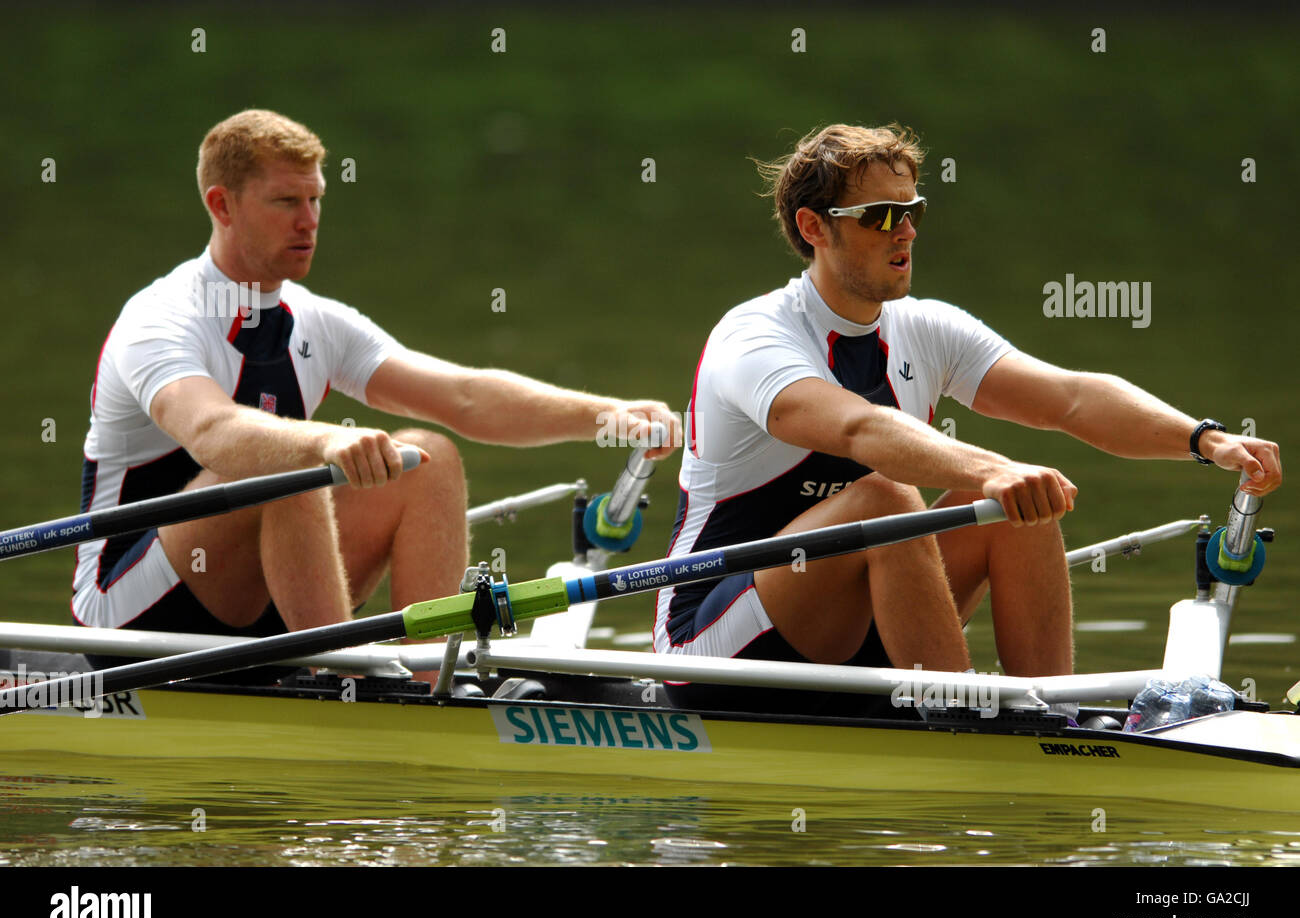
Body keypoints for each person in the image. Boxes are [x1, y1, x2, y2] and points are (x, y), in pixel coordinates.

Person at [652, 123, 1281, 715]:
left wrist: (1207, 440)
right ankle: (964, 724)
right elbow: (857, 430)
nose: (906, 232)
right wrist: (991, 471)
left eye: (913, 211)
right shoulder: (755, 336)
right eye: (881, 216)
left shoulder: (926, 329)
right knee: (891, 498)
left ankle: (1050, 724)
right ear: (814, 227)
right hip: (715, 644)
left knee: (1015, 505)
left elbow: (1072, 399)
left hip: (858, 627)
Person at [74, 109, 679, 681]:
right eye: (286, 201)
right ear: (222, 205)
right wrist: (328, 438)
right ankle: (347, 677)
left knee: (428, 456)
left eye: (315, 200)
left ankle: (423, 679)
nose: (308, 220)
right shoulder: (159, 320)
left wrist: (605, 415)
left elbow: (465, 396)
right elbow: (211, 431)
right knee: (294, 460)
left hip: (257, 599)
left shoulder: (316, 321)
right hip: (130, 614)